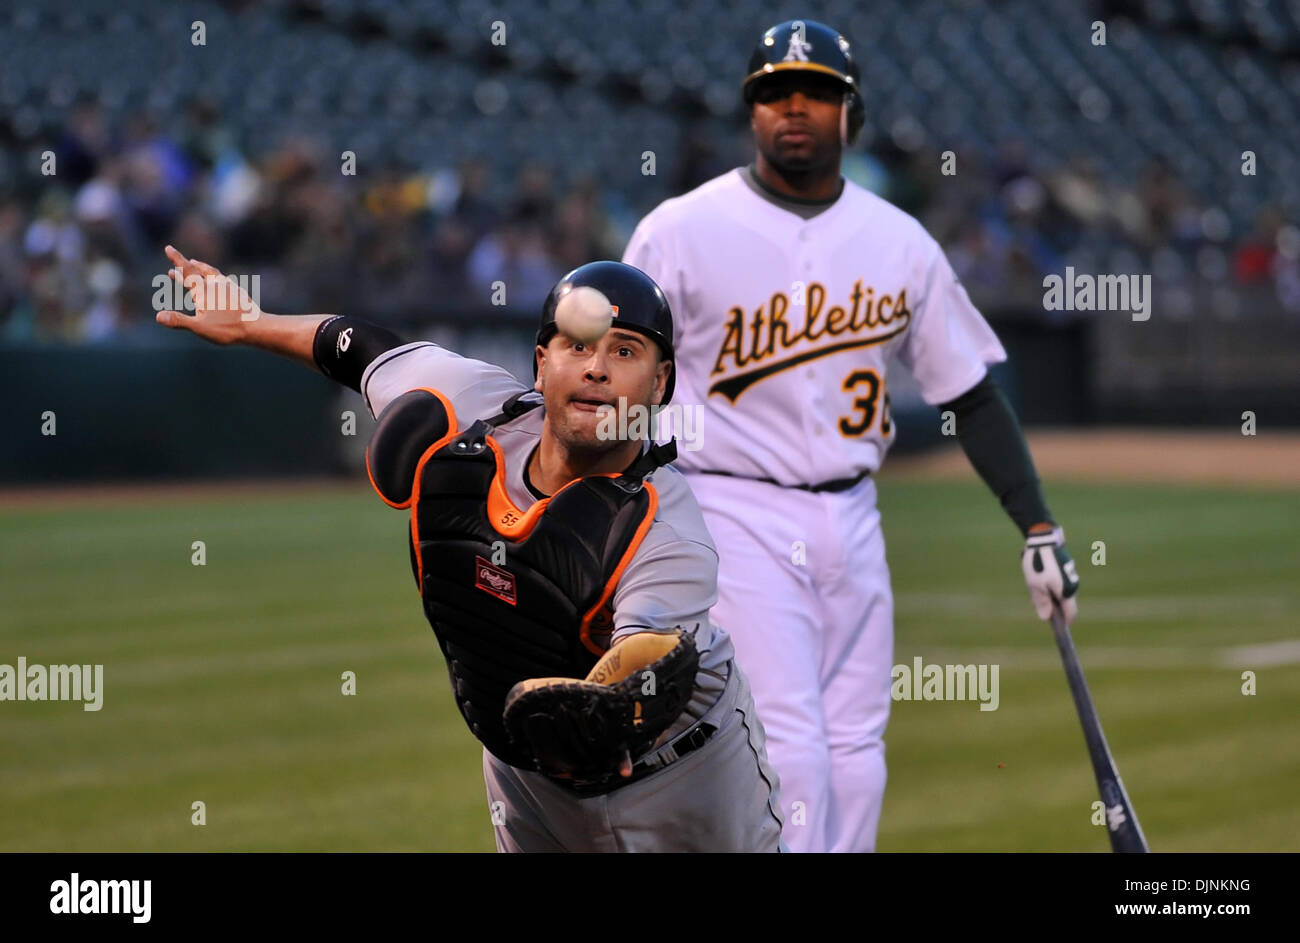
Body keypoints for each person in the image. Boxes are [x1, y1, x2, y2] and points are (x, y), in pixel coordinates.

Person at [622, 19, 1079, 853]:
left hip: (856, 515)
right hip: (733, 508)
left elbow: (970, 393)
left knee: (858, 752)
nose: (793, 108)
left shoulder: (897, 240)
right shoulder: (679, 229)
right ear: (751, 111)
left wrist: (1037, 522)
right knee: (793, 743)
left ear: (850, 112)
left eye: (816, 92)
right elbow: (623, 379)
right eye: (773, 92)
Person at [156, 246, 784, 852]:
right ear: (542, 363)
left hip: (684, 783)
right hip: (527, 779)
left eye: (625, 351)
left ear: (659, 382)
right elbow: (354, 347)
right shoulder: (473, 406)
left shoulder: (664, 528)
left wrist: (616, 700)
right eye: (578, 346)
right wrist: (254, 324)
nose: (596, 368)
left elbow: (649, 655)